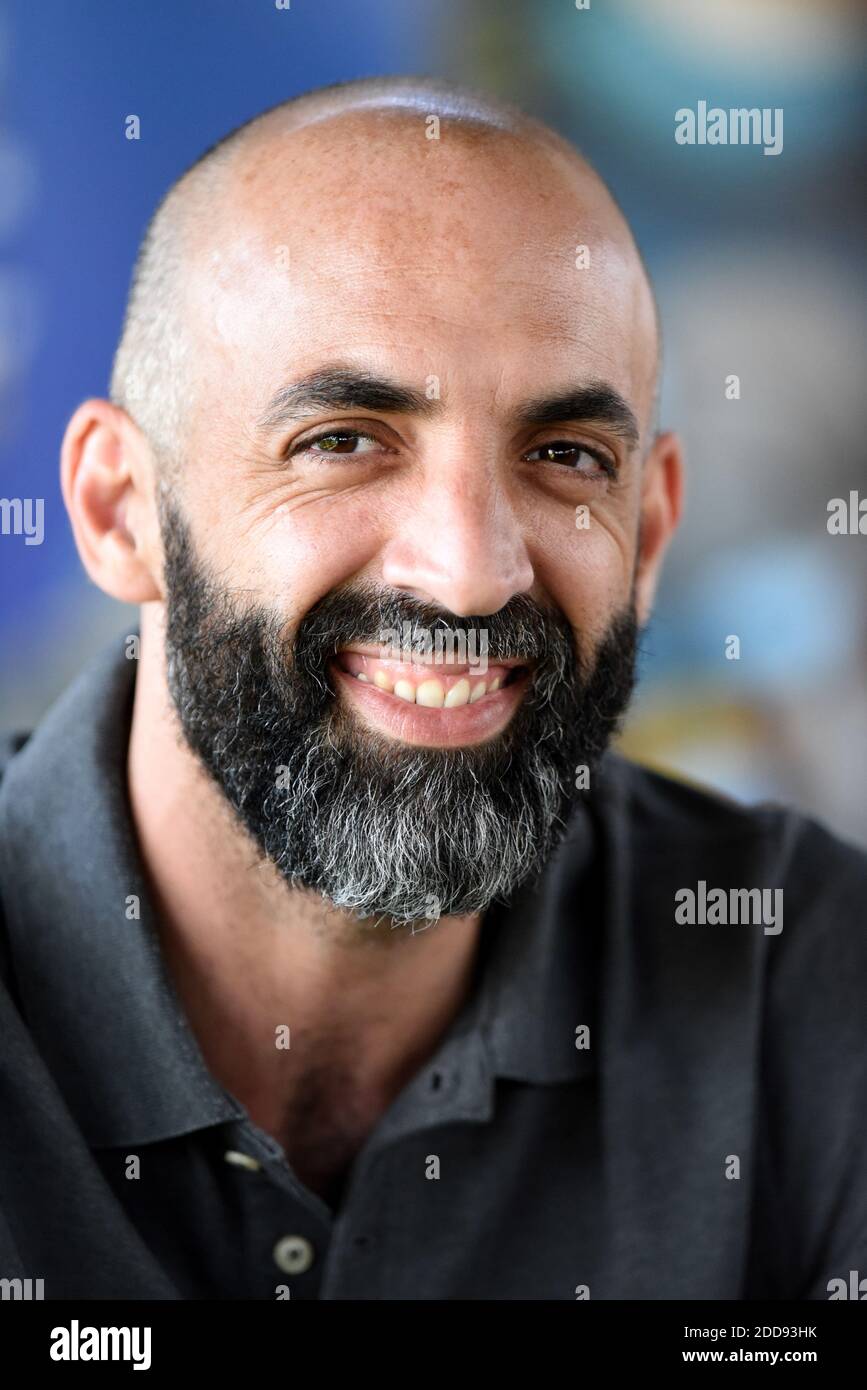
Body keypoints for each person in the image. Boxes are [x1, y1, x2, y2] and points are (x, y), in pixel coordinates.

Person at [1, 75, 864, 1301]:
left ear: (651, 532)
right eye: (344, 439)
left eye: (566, 457)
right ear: (117, 510)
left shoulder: (809, 977)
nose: (469, 577)